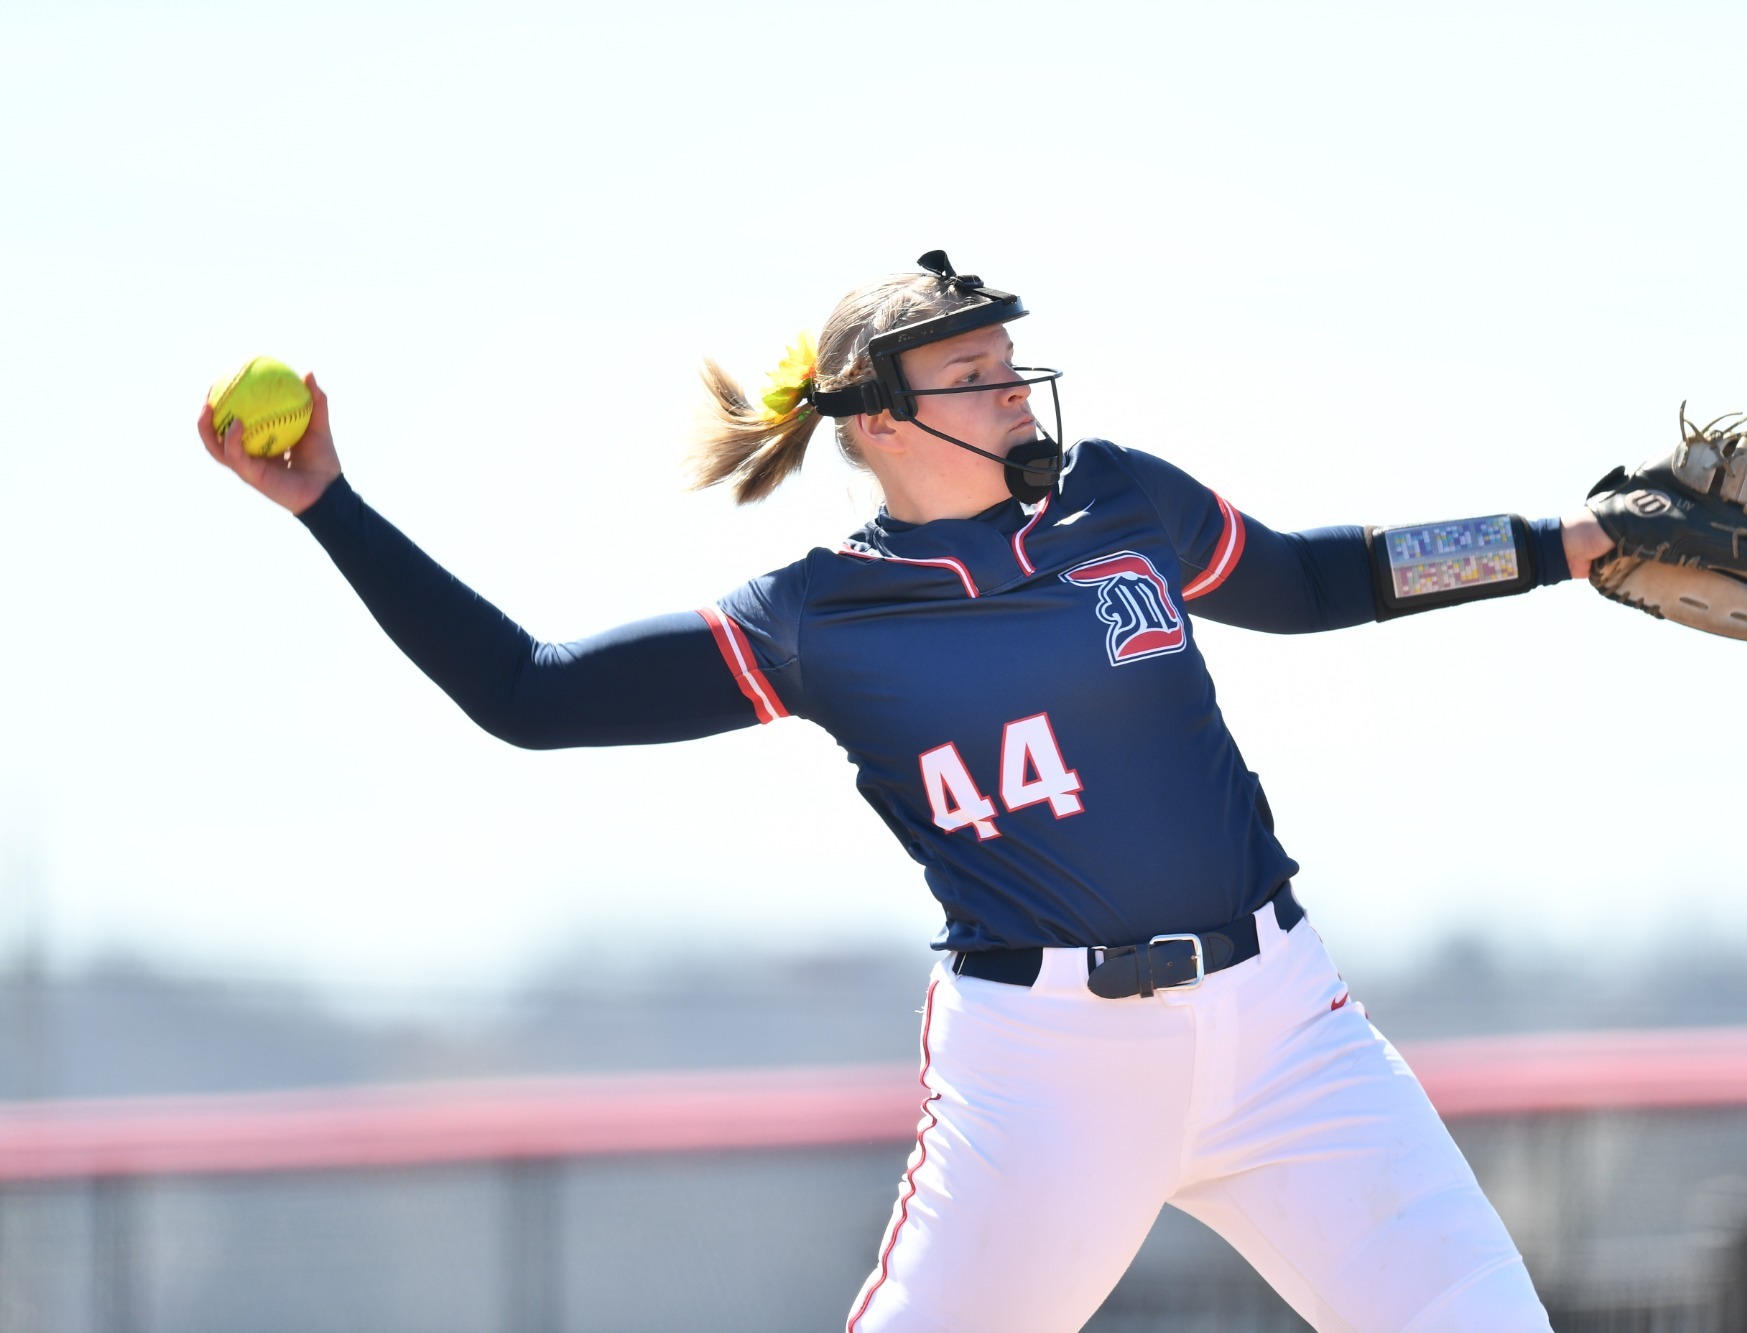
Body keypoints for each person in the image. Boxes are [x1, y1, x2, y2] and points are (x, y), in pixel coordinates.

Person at [199, 251, 1613, 1333]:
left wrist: (1565, 540)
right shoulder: (817, 617)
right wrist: (330, 501)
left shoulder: (1125, 506)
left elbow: (1318, 575)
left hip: (1286, 1029)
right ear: (877, 420)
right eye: (977, 371)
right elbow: (529, 691)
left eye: (1010, 359)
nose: (1015, 387)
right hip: (1047, 1074)